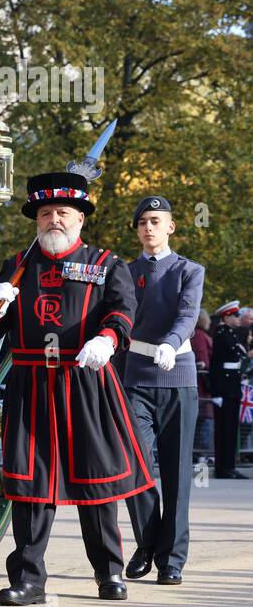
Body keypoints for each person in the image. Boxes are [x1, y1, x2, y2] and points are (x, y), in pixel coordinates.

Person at [0, 172, 153, 605]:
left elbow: (122, 311)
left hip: (85, 380)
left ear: (80, 218)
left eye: (62, 212)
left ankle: (109, 574)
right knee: (29, 484)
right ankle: (28, 580)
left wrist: (108, 339)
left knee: (97, 483)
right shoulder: (17, 266)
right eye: (45, 213)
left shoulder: (106, 263)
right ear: (36, 220)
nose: (53, 220)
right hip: (31, 386)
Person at [121, 196, 204, 586]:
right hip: (135, 376)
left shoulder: (189, 270)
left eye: (156, 221)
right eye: (142, 223)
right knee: (135, 465)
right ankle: (147, 543)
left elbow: (188, 314)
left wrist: (171, 342)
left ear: (171, 226)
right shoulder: (124, 271)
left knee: (176, 474)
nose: (148, 228)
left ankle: (171, 559)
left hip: (178, 376)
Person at [208, 301, 247, 479]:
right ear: (226, 317)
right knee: (224, 430)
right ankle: (223, 467)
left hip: (232, 389)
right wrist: (216, 393)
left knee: (231, 430)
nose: (238, 319)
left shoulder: (232, 334)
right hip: (224, 390)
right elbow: (216, 365)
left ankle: (229, 465)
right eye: (235, 316)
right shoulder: (221, 334)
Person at [192, 310, 214, 463]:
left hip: (199, 384)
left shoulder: (196, 335)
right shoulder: (200, 336)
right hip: (202, 386)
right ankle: (201, 455)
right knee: (205, 419)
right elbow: (202, 359)